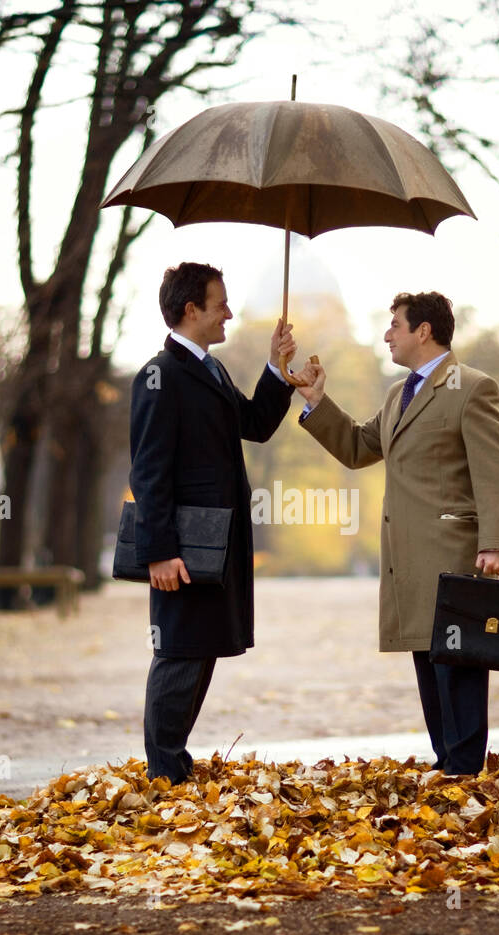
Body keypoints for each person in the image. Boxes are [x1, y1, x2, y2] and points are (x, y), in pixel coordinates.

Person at [294, 292, 499, 774]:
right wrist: (316, 401)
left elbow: (497, 469)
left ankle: (464, 769)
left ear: (424, 331)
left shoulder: (473, 387)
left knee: (458, 661)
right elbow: (358, 447)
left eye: (394, 325)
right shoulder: (399, 393)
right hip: (407, 558)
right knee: (427, 658)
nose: (386, 335)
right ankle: (448, 763)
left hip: (456, 554)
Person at [128, 262, 308, 786]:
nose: (229, 311)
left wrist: (277, 369)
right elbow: (149, 470)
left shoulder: (211, 369)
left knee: (201, 646)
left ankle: (174, 765)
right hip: (183, 546)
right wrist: (158, 550)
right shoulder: (159, 375)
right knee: (179, 650)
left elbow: (253, 425)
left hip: (216, 541)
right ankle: (164, 773)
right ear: (192, 310)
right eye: (220, 302)